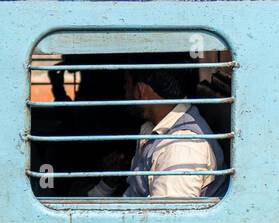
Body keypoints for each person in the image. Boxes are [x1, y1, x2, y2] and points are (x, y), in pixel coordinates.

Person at [88, 62, 225, 199]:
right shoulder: (155, 127)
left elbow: (166, 217)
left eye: (127, 82)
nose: (124, 87)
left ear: (141, 90)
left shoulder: (180, 147)